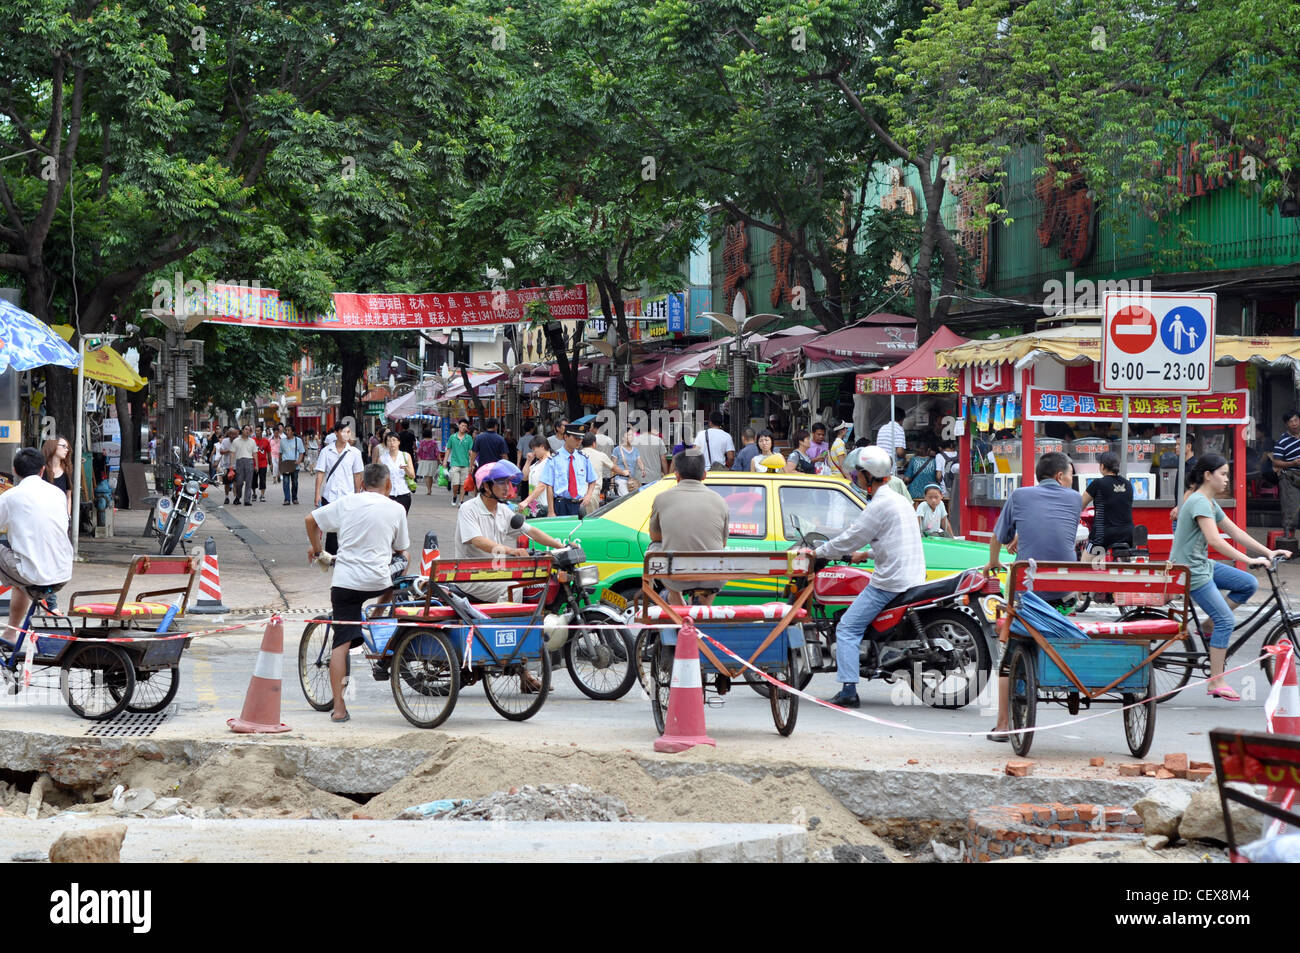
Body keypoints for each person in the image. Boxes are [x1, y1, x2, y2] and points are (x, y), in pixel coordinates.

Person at [809, 445, 926, 708]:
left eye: (857, 475)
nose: (855, 479)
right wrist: (868, 555)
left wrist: (818, 552)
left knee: (847, 627)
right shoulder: (898, 500)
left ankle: (849, 690)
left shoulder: (879, 505)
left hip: (891, 581)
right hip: (911, 574)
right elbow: (892, 541)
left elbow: (851, 537)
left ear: (868, 475)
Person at [1170, 453, 1289, 700]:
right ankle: (1216, 681)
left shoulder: (1209, 502)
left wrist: (1268, 551)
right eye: (1223, 474)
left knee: (1248, 583)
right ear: (1207, 475)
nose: (1227, 479)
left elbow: (1234, 531)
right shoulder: (1199, 501)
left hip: (1202, 564)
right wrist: (1249, 560)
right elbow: (1215, 540)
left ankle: (1207, 626)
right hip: (1190, 571)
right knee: (1225, 620)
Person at [985, 452, 1082, 741]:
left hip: (1028, 597)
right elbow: (1054, 531)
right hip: (1064, 598)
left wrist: (993, 562)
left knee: (1006, 657)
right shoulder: (1074, 499)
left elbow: (997, 537)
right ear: (1060, 477)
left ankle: (1003, 726)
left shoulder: (1019, 495)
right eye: (1070, 475)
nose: (1072, 481)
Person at [305, 462, 410, 723]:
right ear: (388, 485)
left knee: (340, 644)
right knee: (399, 567)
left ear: (362, 483)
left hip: (346, 582)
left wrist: (317, 548)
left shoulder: (347, 502)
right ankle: (375, 615)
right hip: (378, 581)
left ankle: (339, 709)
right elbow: (401, 548)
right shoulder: (396, 509)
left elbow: (311, 519)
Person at [455, 460, 564, 602]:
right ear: (487, 487)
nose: (507, 487)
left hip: (495, 571)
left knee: (539, 581)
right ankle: (503, 625)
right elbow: (478, 540)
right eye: (501, 482)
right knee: (513, 588)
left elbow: (531, 531)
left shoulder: (503, 510)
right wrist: (511, 551)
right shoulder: (468, 509)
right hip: (470, 575)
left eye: (508, 482)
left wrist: (562, 547)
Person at [0, 448, 75, 646]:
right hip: (62, 573)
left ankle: (11, 632)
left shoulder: (11, 496)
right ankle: (10, 633)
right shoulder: (57, 494)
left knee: (21, 567)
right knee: (20, 577)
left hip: (34, 573)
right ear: (42, 470)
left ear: (15, 470)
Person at [648, 449, 730, 605]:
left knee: (655, 547)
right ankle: (704, 608)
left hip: (676, 577)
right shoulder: (720, 501)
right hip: (712, 577)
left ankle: (677, 601)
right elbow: (723, 543)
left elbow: (655, 537)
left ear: (677, 475)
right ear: (704, 475)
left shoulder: (662, 498)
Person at [313, 422, 366, 555]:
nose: (346, 435)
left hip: (347, 495)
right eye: (343, 432)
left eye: (348, 432)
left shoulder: (354, 453)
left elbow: (358, 474)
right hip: (329, 494)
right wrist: (317, 494)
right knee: (331, 527)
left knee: (346, 526)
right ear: (336, 433)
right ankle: (331, 555)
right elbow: (320, 473)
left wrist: (357, 493)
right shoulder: (326, 451)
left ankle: (345, 553)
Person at [1081, 451, 1134, 552]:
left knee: (1084, 564)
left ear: (1102, 466)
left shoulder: (1098, 483)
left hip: (1103, 535)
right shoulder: (1128, 484)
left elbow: (1080, 505)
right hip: (1128, 534)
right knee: (1123, 565)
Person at [541, 428, 598, 517]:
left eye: (581, 439)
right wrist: (551, 511)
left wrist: (588, 496)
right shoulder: (554, 459)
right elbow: (549, 486)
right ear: (566, 437)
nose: (579, 442)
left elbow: (592, 480)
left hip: (579, 505)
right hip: (561, 505)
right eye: (576, 439)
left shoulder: (583, 458)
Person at [1269, 410, 1300, 537]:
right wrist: (1293, 463)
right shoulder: (1282, 441)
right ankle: (1289, 541)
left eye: (1296, 420)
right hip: (1290, 477)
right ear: (1286, 424)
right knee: (1291, 511)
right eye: (1290, 422)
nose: (1294, 424)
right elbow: (1276, 462)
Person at [581, 431, 624, 510]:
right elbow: (613, 467)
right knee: (591, 519)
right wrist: (624, 472)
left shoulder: (577, 454)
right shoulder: (600, 455)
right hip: (593, 494)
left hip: (579, 493)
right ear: (594, 443)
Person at [379, 430, 416, 512]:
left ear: (399, 442)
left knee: (402, 519)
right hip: (388, 494)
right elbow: (379, 478)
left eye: (394, 440)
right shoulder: (382, 459)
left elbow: (412, 475)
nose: (391, 443)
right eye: (388, 441)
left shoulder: (406, 456)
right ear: (386, 443)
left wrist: (406, 468)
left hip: (403, 493)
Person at [442, 419, 473, 506]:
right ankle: (455, 495)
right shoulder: (452, 437)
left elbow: (471, 451)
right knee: (455, 483)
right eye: (462, 425)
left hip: (465, 464)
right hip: (455, 464)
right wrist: (445, 461)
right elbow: (448, 450)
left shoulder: (469, 438)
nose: (464, 427)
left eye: (465, 426)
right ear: (459, 426)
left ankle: (461, 501)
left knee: (463, 484)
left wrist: (472, 463)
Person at [518, 436, 552, 515]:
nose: (533, 452)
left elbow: (542, 486)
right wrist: (528, 461)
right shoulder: (537, 463)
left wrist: (526, 501)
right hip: (533, 505)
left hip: (543, 505)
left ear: (542, 447)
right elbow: (524, 477)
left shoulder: (549, 462)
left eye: (534, 449)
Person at [41, 435, 73, 516]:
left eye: (67, 447)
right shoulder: (41, 470)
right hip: (44, 514)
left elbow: (68, 497)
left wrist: (68, 516)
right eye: (63, 446)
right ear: (53, 446)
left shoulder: (67, 470)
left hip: (60, 517)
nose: (66, 449)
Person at [611, 428, 646, 496]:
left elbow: (639, 461)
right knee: (626, 498)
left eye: (632, 435)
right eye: (629, 435)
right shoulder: (617, 449)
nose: (632, 437)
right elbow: (613, 466)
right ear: (623, 437)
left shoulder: (635, 450)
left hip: (631, 481)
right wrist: (612, 484)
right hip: (620, 479)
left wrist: (643, 469)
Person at [232, 425, 258, 506]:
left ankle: (247, 500)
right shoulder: (236, 441)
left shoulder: (252, 441)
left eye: (249, 430)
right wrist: (231, 465)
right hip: (239, 461)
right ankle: (238, 496)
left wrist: (256, 465)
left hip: (249, 461)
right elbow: (232, 453)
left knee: (249, 482)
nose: (247, 431)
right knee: (239, 482)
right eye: (246, 429)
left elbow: (255, 453)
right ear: (242, 430)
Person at [875, 407, 907, 474]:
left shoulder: (882, 428)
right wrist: (905, 455)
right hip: (889, 468)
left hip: (879, 465)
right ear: (902, 419)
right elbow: (900, 452)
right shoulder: (898, 429)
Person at [279, 425, 304, 505]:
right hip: (285, 464)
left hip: (294, 465)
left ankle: (294, 498)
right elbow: (280, 453)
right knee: (285, 482)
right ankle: (287, 499)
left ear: (293, 431)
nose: (287, 431)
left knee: (295, 482)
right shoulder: (282, 441)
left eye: (288, 430)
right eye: (286, 430)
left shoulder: (298, 440)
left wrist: (299, 461)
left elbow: (301, 452)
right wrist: (280, 465)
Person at [416, 426, 440, 495]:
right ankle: (430, 488)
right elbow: (437, 452)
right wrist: (439, 460)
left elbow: (419, 451)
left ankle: (428, 489)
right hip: (433, 460)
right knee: (431, 475)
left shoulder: (422, 442)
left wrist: (419, 458)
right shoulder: (434, 442)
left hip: (424, 460)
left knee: (426, 475)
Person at [219, 427, 237, 505]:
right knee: (226, 483)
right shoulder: (225, 441)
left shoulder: (238, 441)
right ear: (229, 434)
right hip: (226, 465)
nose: (234, 436)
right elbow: (221, 451)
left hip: (236, 465)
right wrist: (229, 450)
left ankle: (236, 497)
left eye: (235, 434)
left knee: (236, 482)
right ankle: (226, 497)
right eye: (232, 434)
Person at [254, 427, 271, 502]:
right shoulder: (252, 441)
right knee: (253, 480)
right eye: (256, 431)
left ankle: (262, 495)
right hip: (253, 463)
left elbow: (269, 453)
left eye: (258, 431)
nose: (257, 432)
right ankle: (254, 493)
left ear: (261, 432)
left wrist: (271, 463)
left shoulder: (266, 441)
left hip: (263, 463)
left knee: (263, 480)